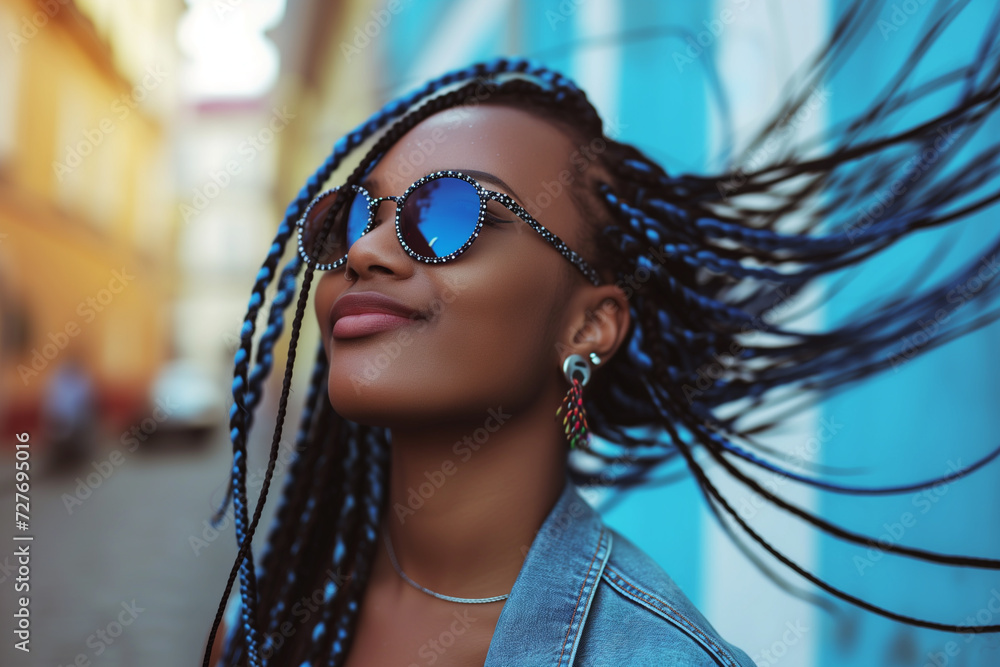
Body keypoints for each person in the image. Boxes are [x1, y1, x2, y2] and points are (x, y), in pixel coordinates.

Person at [204, 6, 1000, 665]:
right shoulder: (269, 615)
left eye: (446, 217)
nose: (367, 251)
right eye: (351, 217)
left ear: (590, 324)